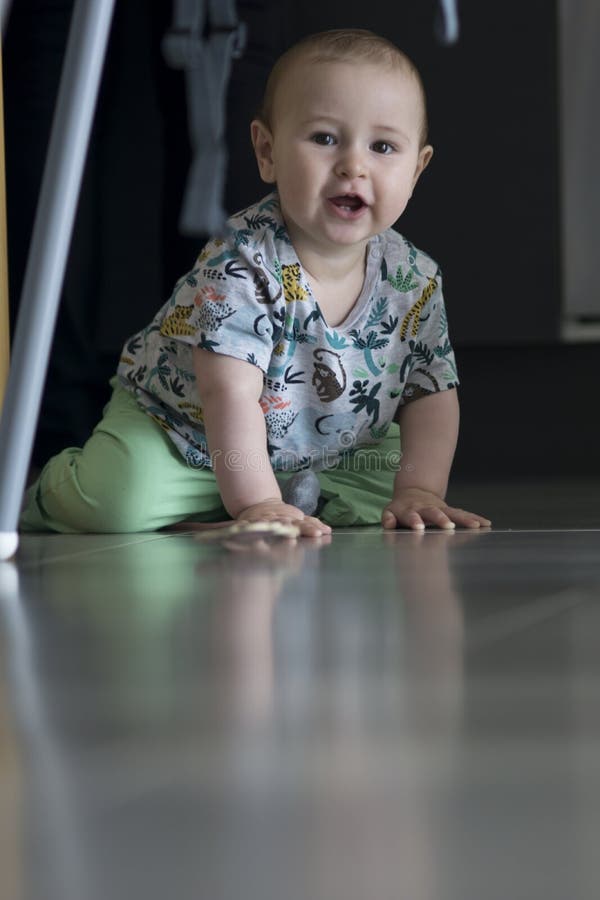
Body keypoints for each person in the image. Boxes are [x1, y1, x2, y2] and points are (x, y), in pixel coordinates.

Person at [20, 28, 491, 537]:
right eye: (325, 138)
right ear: (267, 151)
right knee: (117, 500)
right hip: (185, 435)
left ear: (416, 170)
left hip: (324, 447)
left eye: (382, 146)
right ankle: (56, 485)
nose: (353, 166)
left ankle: (259, 502)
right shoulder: (242, 262)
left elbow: (431, 393)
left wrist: (419, 491)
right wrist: (258, 502)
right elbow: (228, 395)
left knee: (395, 485)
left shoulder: (413, 278)